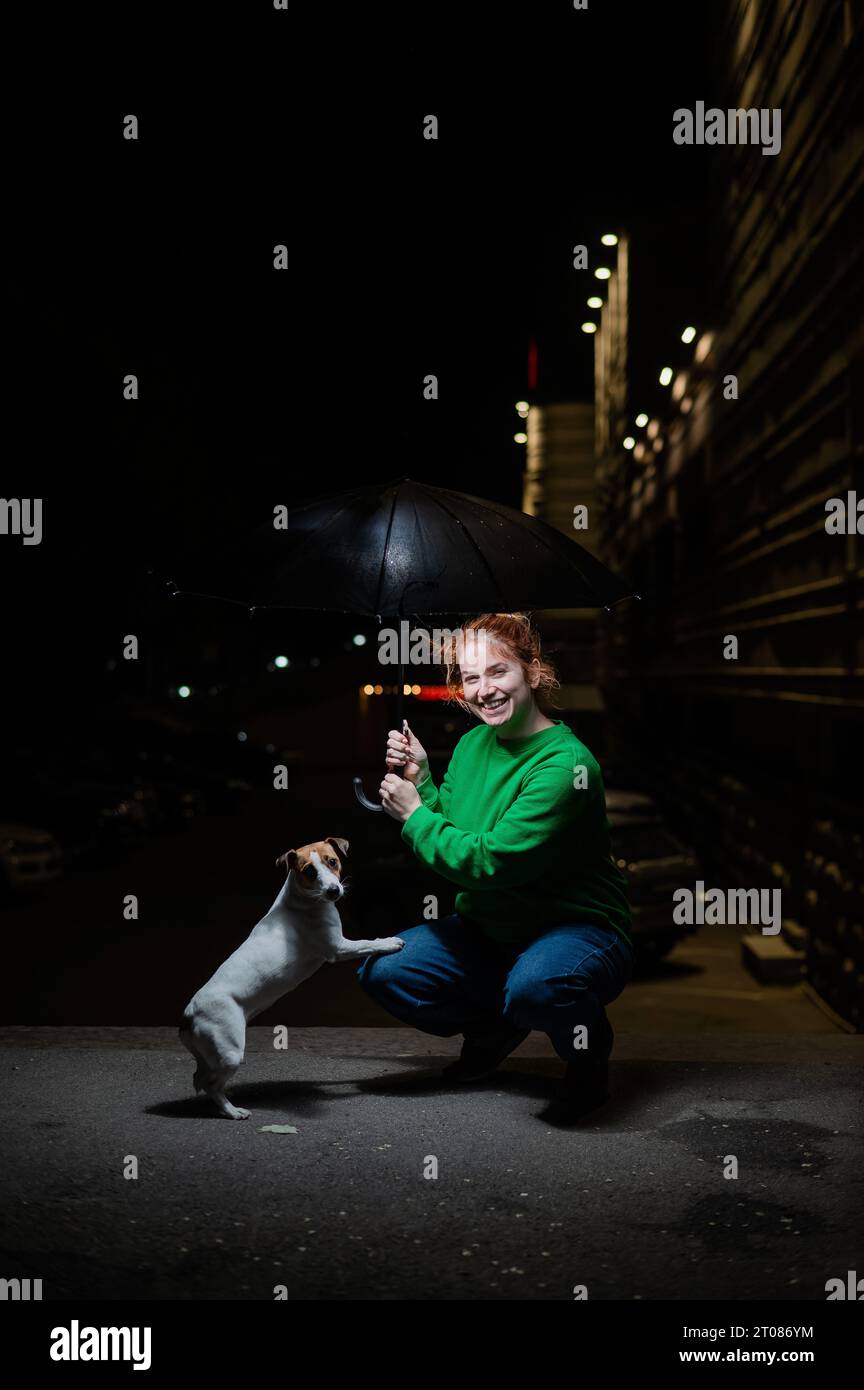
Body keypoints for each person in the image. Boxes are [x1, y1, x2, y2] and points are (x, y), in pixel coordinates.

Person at [355, 612, 634, 1120]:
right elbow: (456, 837)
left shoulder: (565, 766)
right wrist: (421, 781)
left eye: (498, 671)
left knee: (540, 987)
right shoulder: (472, 743)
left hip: (577, 927)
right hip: (493, 926)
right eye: (471, 676)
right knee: (385, 970)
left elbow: (489, 862)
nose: (484, 690)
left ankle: (588, 1058)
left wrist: (413, 815)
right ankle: (494, 1025)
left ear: (533, 671)